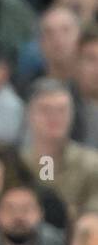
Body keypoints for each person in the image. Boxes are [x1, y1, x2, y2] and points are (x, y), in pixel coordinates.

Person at [18, 79, 98, 221]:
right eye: (45, 109)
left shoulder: (91, 165)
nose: (54, 117)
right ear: (29, 113)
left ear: (72, 114)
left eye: (62, 110)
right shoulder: (16, 163)